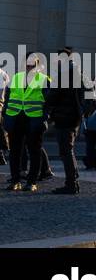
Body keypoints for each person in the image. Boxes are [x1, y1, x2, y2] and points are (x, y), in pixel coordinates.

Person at [4, 53, 49, 191]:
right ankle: (15, 181)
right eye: (27, 63)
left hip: (34, 119)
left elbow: (49, 101)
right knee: (15, 152)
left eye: (32, 63)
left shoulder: (44, 79)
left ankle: (32, 182)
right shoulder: (16, 77)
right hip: (15, 117)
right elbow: (8, 97)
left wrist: (44, 117)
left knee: (34, 151)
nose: (29, 66)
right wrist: (5, 115)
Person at [45, 48, 85, 194]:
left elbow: (52, 96)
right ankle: (73, 181)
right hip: (74, 118)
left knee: (66, 151)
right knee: (68, 150)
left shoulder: (64, 75)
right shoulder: (78, 73)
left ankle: (71, 184)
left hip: (64, 117)